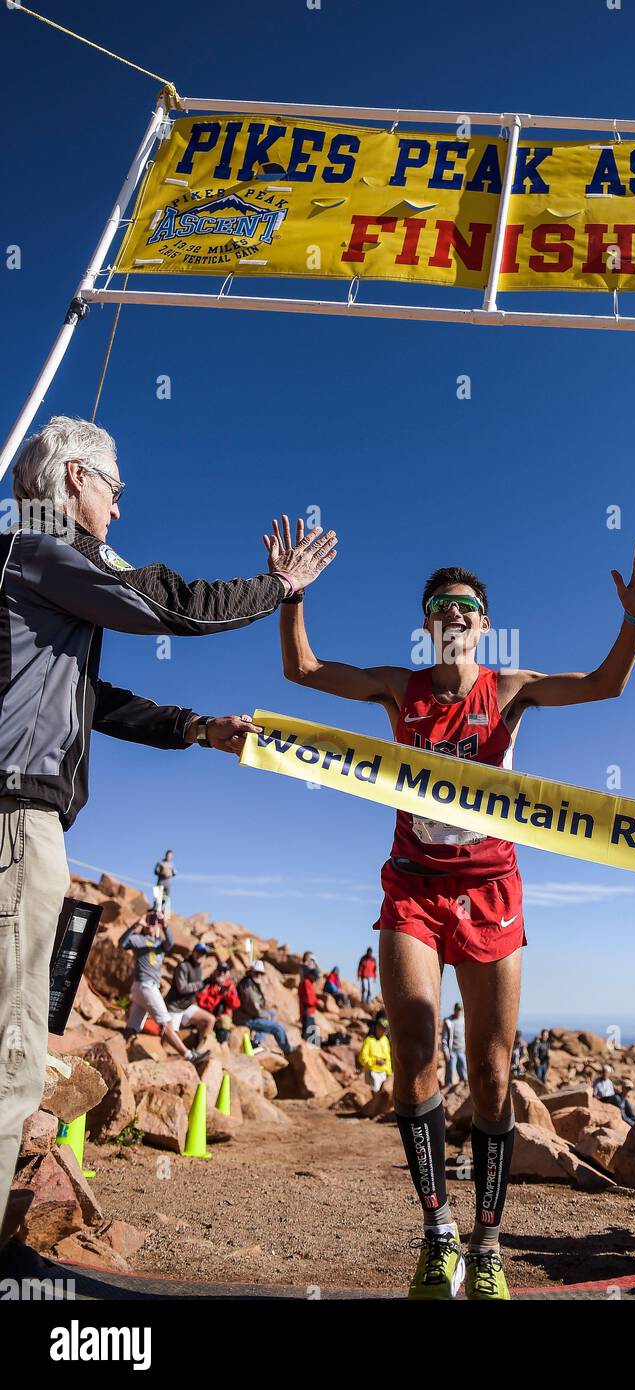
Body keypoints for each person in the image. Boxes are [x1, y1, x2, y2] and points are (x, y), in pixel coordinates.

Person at [269, 509, 635, 1300]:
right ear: (427, 625)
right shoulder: (400, 688)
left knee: (491, 1076)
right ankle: (438, 1235)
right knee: (415, 1052)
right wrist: (292, 596)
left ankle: (488, 1244)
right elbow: (304, 672)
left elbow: (607, 684)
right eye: (442, 606)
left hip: (492, 888)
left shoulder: (511, 689)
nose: (455, 614)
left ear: (485, 626)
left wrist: (632, 619)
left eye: (468, 607)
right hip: (413, 886)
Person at [0, 416, 337, 1238]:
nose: (119, 509)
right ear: (75, 478)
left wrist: (191, 727)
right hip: (15, 822)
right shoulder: (40, 546)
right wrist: (279, 589)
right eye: (115, 490)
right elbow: (169, 604)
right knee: (11, 1052)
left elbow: (92, 699)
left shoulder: (26, 564)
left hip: (14, 817)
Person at [120, 910, 208, 1063]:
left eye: (153, 920)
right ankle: (189, 1055)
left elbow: (170, 944)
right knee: (166, 1023)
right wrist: (136, 924)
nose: (151, 923)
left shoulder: (158, 944)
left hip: (144, 988)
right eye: (148, 919)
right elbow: (122, 943)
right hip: (146, 986)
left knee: (132, 1027)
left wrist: (165, 925)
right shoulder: (139, 939)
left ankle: (116, 1053)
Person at [234, 960, 294, 1055]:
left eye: (261, 973)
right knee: (277, 1027)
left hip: (249, 1015)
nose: (259, 975)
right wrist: (261, 1014)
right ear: (251, 972)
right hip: (246, 1018)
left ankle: (256, 1042)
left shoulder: (251, 983)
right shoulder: (247, 986)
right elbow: (252, 1007)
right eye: (257, 972)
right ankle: (288, 1051)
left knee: (271, 1014)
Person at [164, 941, 216, 1050]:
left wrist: (210, 984)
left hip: (187, 1006)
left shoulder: (198, 969)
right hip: (175, 1007)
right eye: (198, 952)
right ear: (193, 952)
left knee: (210, 1020)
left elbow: (197, 990)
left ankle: (199, 1052)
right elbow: (182, 988)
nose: (200, 955)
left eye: (203, 954)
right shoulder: (183, 966)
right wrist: (202, 983)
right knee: (169, 1039)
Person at [197, 962, 239, 1044]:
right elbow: (202, 1004)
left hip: (222, 1019)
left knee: (224, 1023)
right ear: (216, 971)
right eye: (220, 970)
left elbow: (235, 1005)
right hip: (208, 1017)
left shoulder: (229, 985)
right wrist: (220, 995)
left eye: (224, 971)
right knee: (209, 1037)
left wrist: (227, 994)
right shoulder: (208, 983)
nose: (221, 973)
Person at [358, 1014, 393, 1091]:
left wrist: (389, 1072)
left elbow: (388, 1058)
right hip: (372, 1072)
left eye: (386, 1029)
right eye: (382, 1028)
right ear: (377, 1027)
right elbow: (362, 1058)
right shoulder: (369, 1040)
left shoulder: (385, 1040)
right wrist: (374, 1061)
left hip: (383, 1073)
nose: (384, 1031)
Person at [442, 1003, 467, 1088]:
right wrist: (445, 1050)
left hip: (461, 1050)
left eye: (460, 1010)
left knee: (463, 1068)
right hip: (451, 1051)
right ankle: (448, 1087)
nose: (459, 1012)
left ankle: (463, 1086)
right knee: (450, 1070)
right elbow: (444, 1038)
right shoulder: (448, 1021)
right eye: (457, 1010)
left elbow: (466, 1035)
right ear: (454, 1010)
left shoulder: (464, 1020)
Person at [299, 959, 320, 1043]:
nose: (315, 979)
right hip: (307, 1011)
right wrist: (317, 1002)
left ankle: (313, 1052)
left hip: (310, 1012)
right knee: (307, 1034)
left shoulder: (309, 983)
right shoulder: (306, 983)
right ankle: (305, 1052)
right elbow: (308, 999)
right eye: (315, 977)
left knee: (313, 1036)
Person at [153, 849, 176, 915]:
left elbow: (174, 872)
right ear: (165, 855)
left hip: (168, 882)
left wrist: (172, 873)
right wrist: (163, 874)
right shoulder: (160, 863)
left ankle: (162, 911)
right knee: (157, 898)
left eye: (171, 856)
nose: (169, 857)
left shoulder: (172, 864)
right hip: (161, 881)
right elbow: (155, 871)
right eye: (168, 855)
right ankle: (154, 912)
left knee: (166, 898)